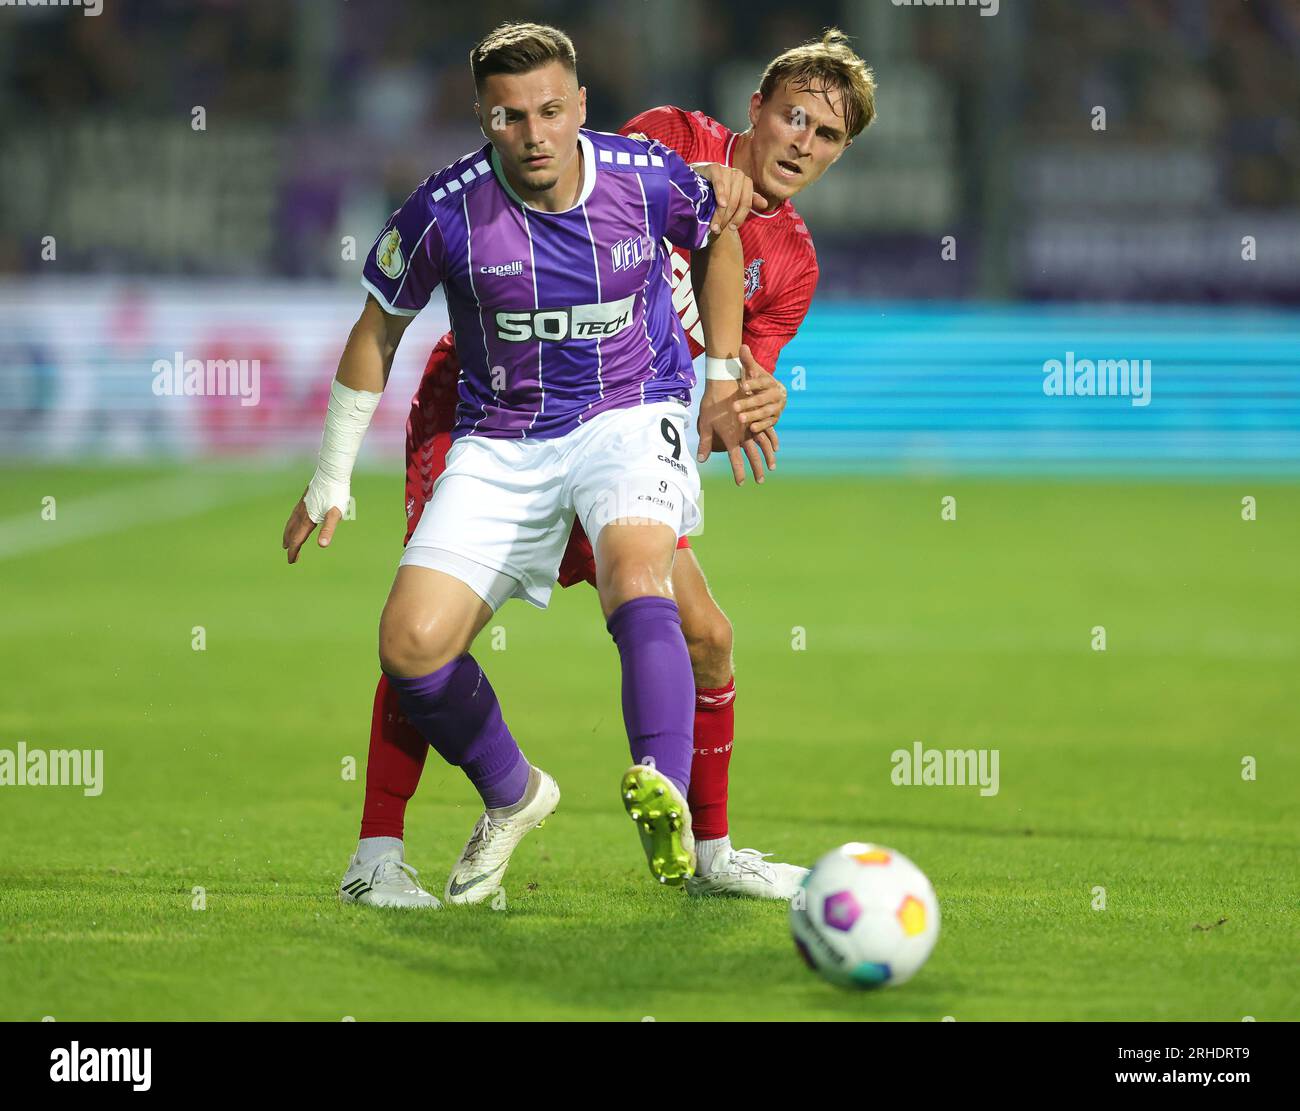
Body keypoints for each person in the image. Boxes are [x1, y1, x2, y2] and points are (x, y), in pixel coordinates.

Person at [347, 29, 879, 906]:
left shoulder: (795, 267)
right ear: (757, 108)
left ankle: (709, 852)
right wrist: (706, 189)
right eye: (793, 118)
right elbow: (582, 189)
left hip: (620, 429)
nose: (802, 145)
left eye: (826, 138)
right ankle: (378, 850)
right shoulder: (675, 136)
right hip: (494, 405)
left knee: (706, 634)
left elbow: (736, 379)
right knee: (429, 630)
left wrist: (754, 396)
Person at [283, 21, 766, 907]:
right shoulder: (442, 211)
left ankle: (658, 783)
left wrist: (722, 376)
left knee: (637, 571)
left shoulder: (642, 177)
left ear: (581, 107)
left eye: (551, 111)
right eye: (510, 117)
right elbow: (376, 332)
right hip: (502, 436)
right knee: (411, 645)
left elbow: (718, 235)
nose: (534, 134)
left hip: (631, 410)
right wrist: (330, 475)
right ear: (483, 117)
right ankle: (514, 791)